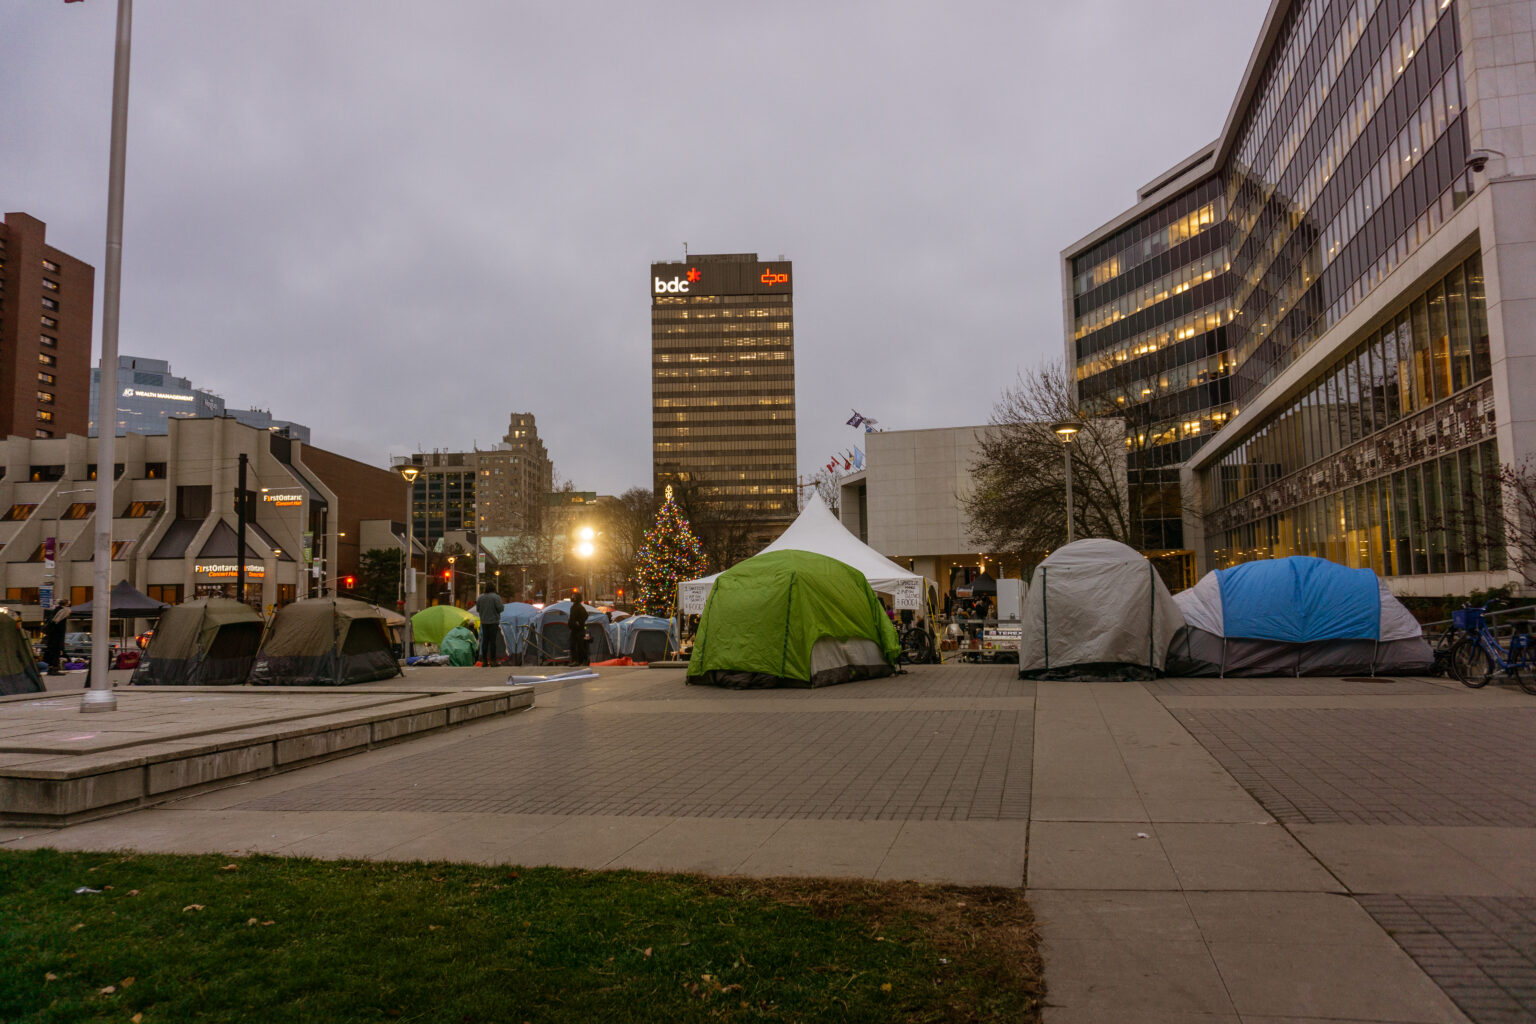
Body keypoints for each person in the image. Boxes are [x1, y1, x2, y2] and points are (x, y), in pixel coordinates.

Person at [474, 585, 504, 667]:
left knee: (485, 641)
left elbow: (477, 609)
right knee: (493, 642)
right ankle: (493, 661)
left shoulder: (480, 598)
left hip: (484, 622)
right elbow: (500, 609)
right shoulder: (496, 597)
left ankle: (484, 661)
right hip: (494, 622)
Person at [43, 600, 70, 676]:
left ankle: (50, 668)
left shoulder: (56, 610)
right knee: (56, 652)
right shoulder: (63, 611)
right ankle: (54, 669)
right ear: (66, 604)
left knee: (51, 651)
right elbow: (59, 624)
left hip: (52, 636)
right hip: (57, 636)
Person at [567, 589, 589, 665]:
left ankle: (584, 660)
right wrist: (570, 623)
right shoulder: (573, 607)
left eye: (574, 596)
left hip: (579, 630)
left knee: (580, 646)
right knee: (573, 645)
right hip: (573, 629)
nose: (572, 597)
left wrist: (579, 622)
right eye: (572, 596)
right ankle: (575, 661)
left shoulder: (579, 607)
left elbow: (585, 615)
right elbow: (572, 617)